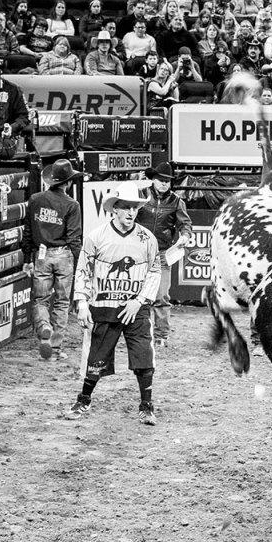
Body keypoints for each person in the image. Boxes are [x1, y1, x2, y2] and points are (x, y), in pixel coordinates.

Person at [73, 182, 161, 425]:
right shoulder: (96, 236)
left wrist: (140, 301)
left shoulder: (147, 238)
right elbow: (83, 269)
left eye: (134, 208)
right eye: (126, 207)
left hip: (136, 308)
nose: (131, 212)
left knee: (144, 354)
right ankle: (84, 399)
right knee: (96, 356)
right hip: (103, 305)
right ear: (115, 209)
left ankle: (147, 405)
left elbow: (155, 270)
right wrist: (81, 302)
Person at [26, 159, 83, 360]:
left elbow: (28, 231)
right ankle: (56, 347)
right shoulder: (72, 205)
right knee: (61, 301)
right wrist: (82, 260)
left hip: (41, 253)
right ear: (68, 182)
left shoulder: (35, 199)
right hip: (63, 255)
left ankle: (43, 326)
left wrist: (27, 257)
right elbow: (74, 238)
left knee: (40, 298)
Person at [135, 162, 193, 348]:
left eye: (167, 181)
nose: (164, 184)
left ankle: (161, 335)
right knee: (135, 293)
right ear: (154, 180)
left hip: (161, 252)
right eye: (161, 180)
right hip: (139, 251)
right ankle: (138, 332)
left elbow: (185, 224)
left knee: (161, 296)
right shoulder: (140, 196)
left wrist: (185, 236)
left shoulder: (177, 201)